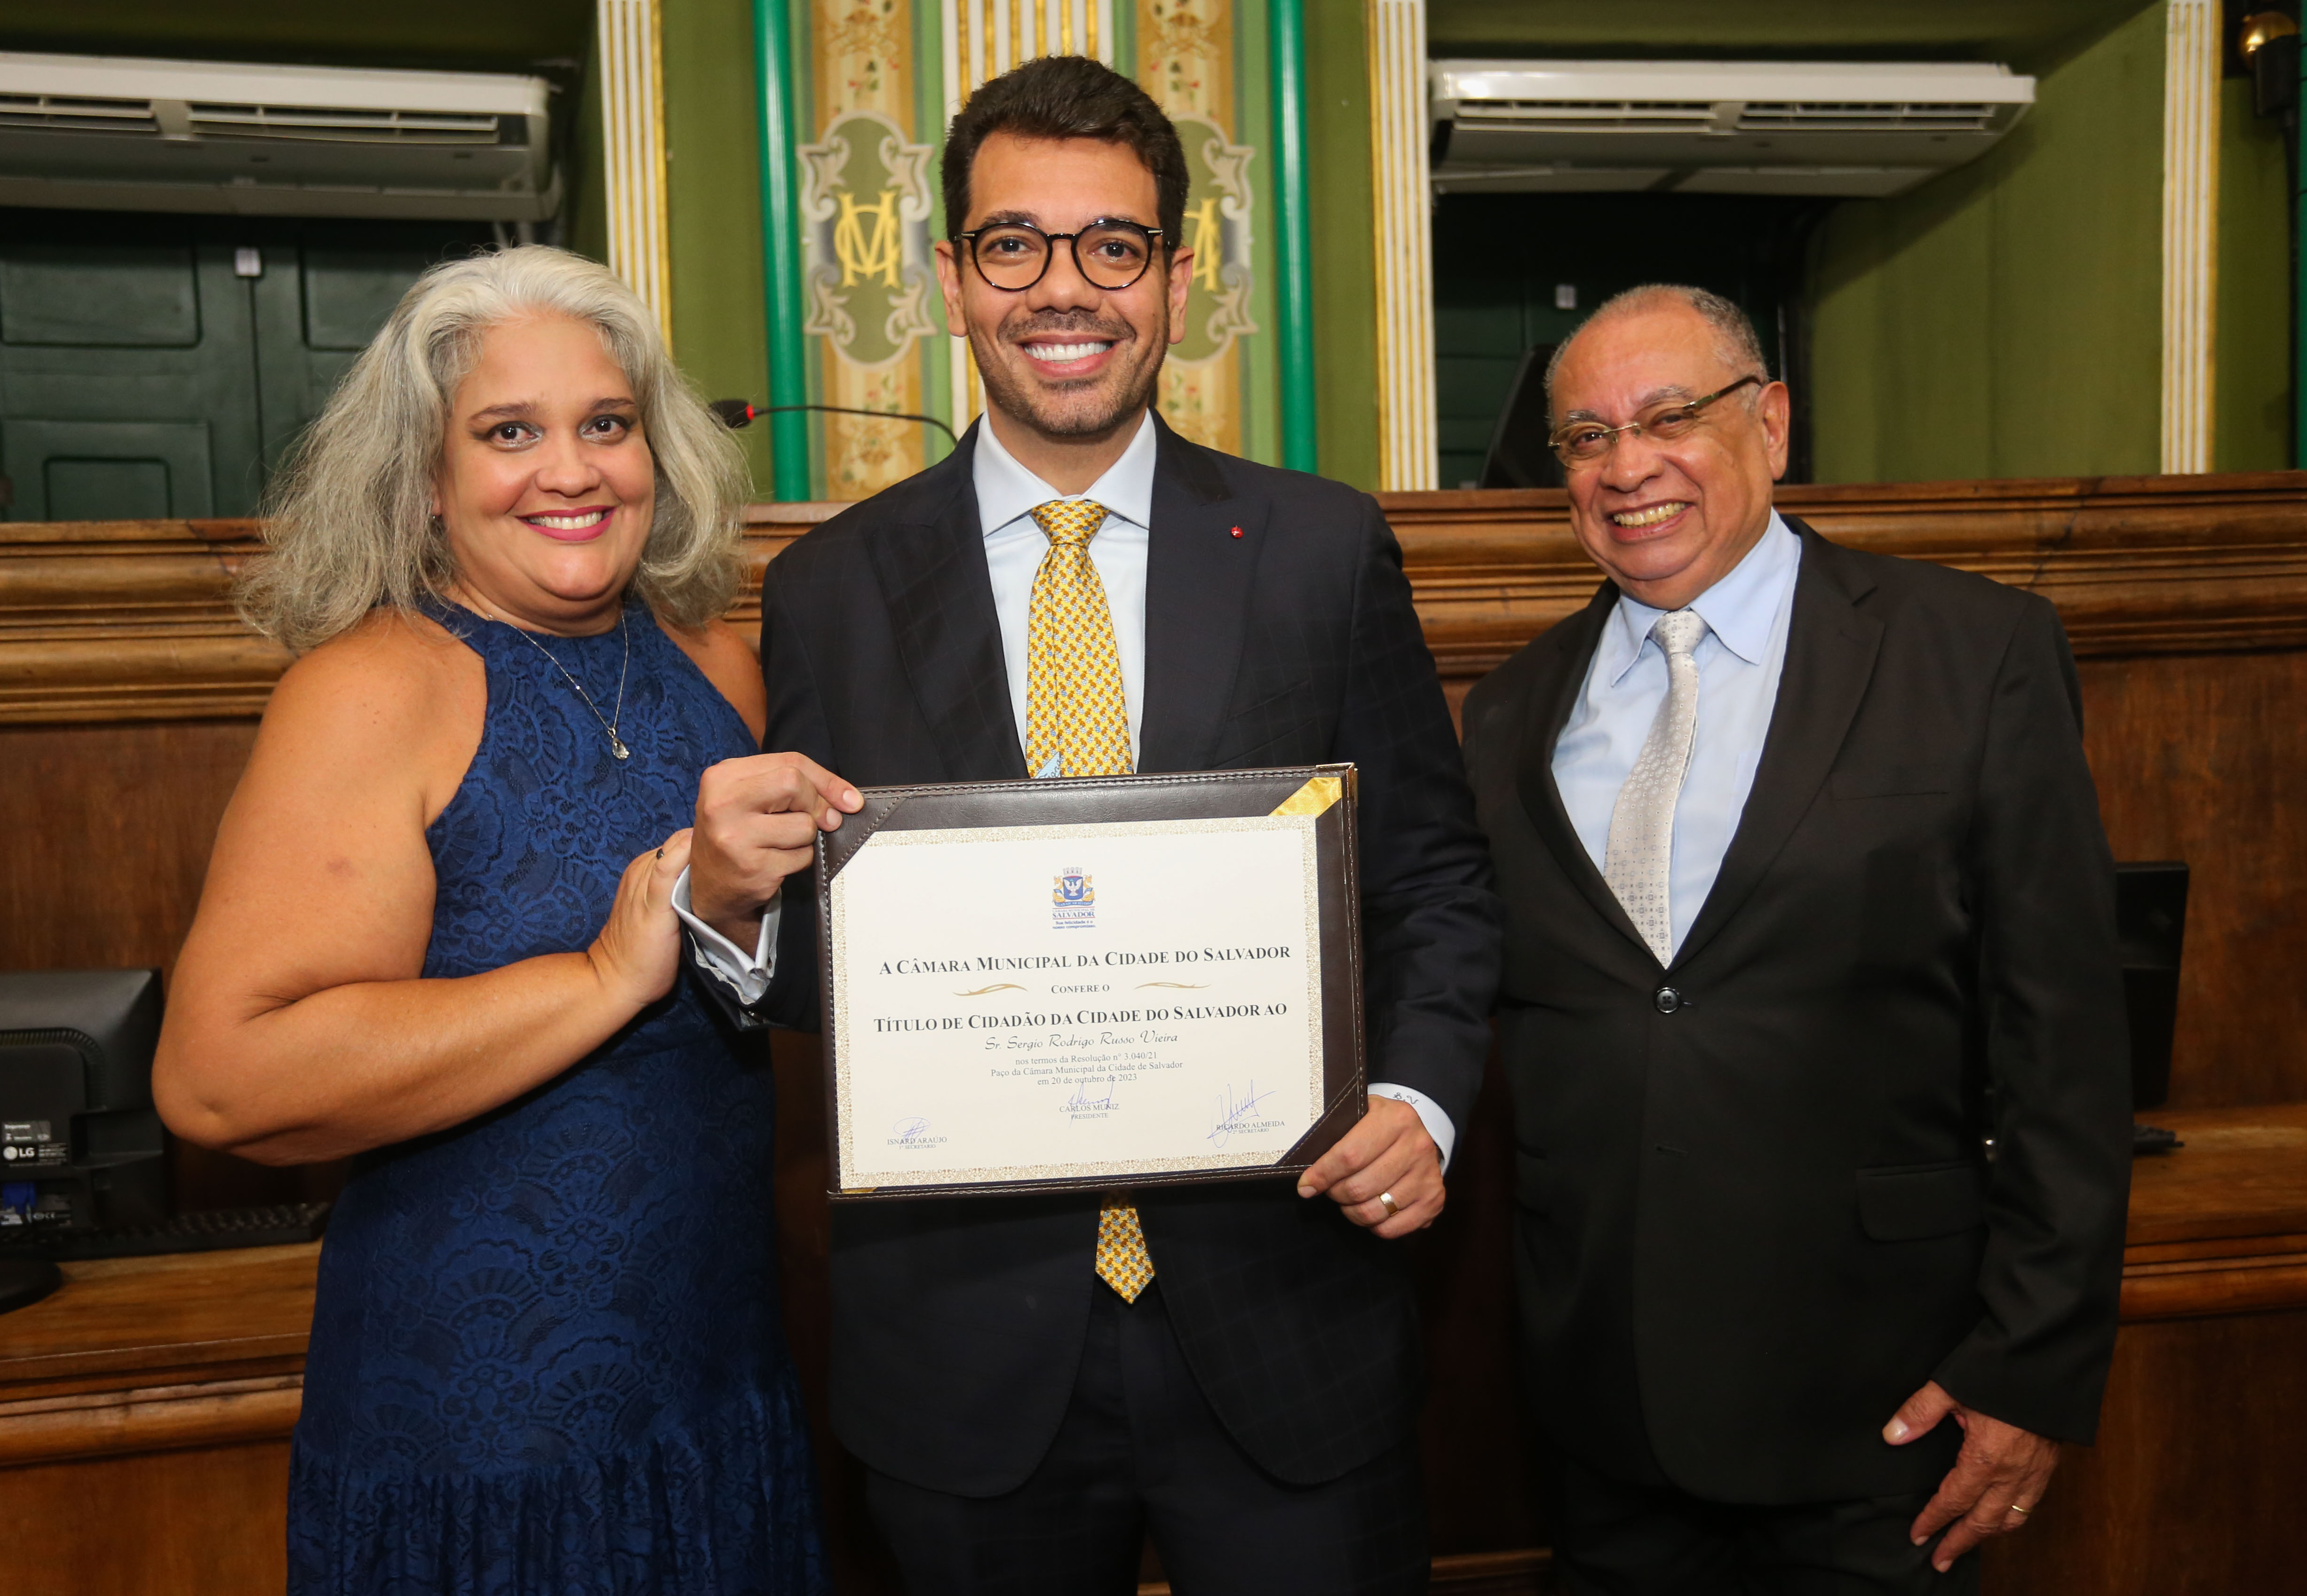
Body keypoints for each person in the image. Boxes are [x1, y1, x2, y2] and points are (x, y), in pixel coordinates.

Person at [676, 54, 1499, 1596]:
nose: (1066, 290)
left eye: (1112, 246)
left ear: (1178, 282)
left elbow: (1433, 883)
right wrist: (729, 911)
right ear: (950, 276)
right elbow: (824, 978)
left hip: (1288, 1317)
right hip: (964, 1354)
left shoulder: (1318, 547)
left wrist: (1423, 1100)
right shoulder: (830, 588)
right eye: (1015, 246)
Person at [153, 246, 827, 1595]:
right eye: (508, 433)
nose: (570, 472)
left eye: (606, 424)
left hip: (716, 1382)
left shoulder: (718, 660)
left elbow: (770, 998)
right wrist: (599, 972)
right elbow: (222, 1082)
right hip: (483, 1434)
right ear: (427, 476)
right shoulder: (371, 690)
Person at [1459, 285, 2132, 1593]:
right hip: (1607, 1411)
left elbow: (2065, 1043)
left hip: (1888, 1414)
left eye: (1667, 417)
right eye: (1586, 437)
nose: (1626, 465)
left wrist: (2028, 1362)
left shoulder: (1970, 650)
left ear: (1769, 420)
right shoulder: (1510, 709)